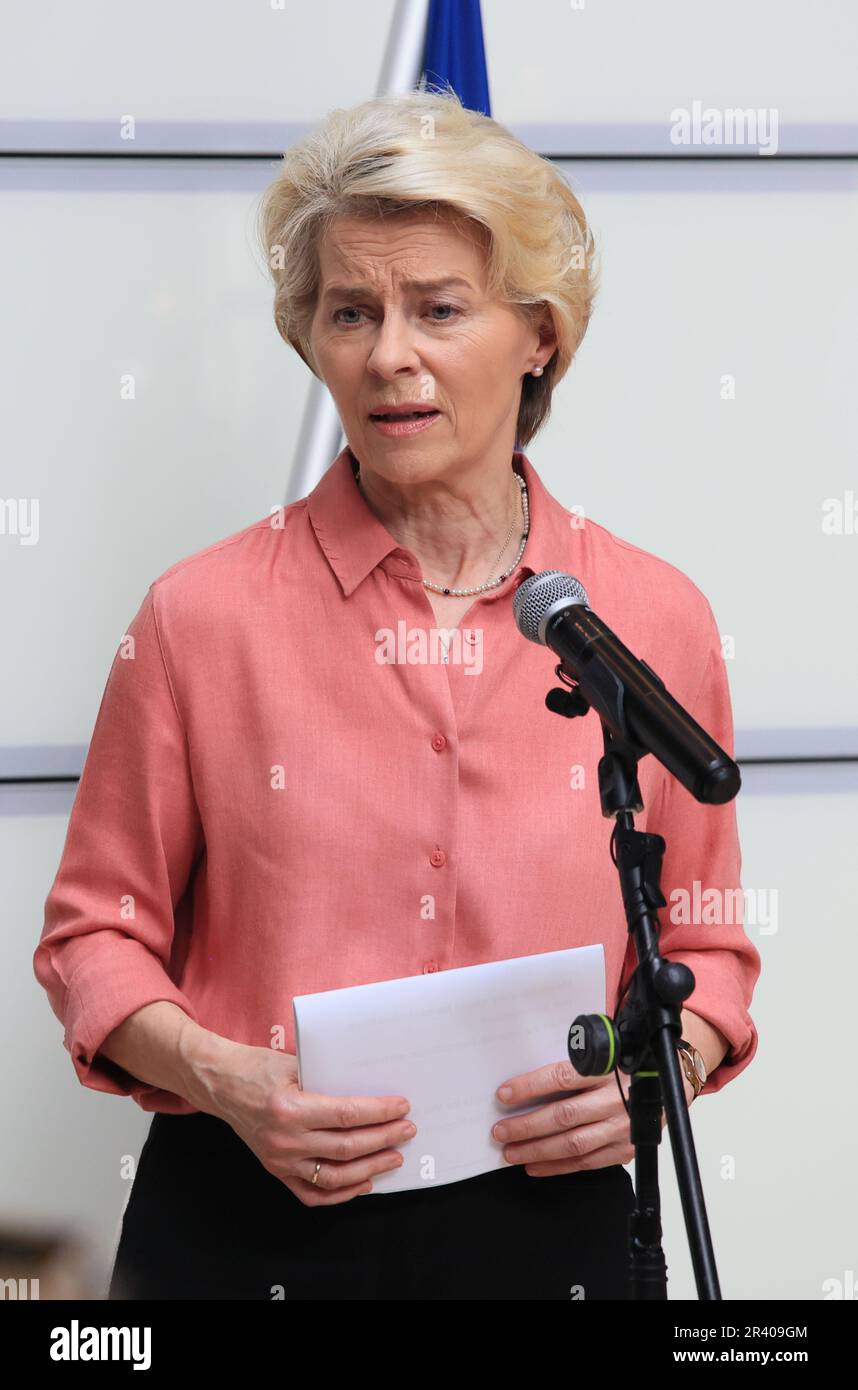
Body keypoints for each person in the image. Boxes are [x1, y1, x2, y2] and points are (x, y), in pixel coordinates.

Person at [34, 86, 760, 1301]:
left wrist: (658, 1074)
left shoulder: (648, 617)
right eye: (350, 311)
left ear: (541, 334)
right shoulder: (197, 616)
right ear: (308, 336)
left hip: (555, 1231)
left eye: (439, 308)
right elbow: (93, 939)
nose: (388, 355)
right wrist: (225, 1077)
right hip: (244, 1227)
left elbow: (706, 943)